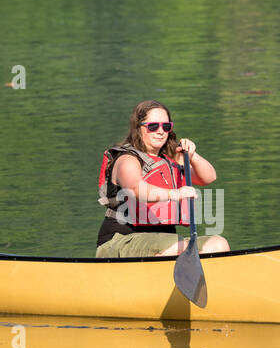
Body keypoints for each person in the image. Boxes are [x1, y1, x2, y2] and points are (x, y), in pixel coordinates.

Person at [96, 100, 229, 257]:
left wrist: (192, 155)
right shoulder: (126, 159)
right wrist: (175, 194)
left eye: (166, 127)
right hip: (121, 241)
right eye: (153, 126)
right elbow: (135, 188)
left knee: (218, 244)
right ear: (138, 128)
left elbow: (208, 177)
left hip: (168, 241)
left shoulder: (169, 160)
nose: (160, 131)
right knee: (178, 246)